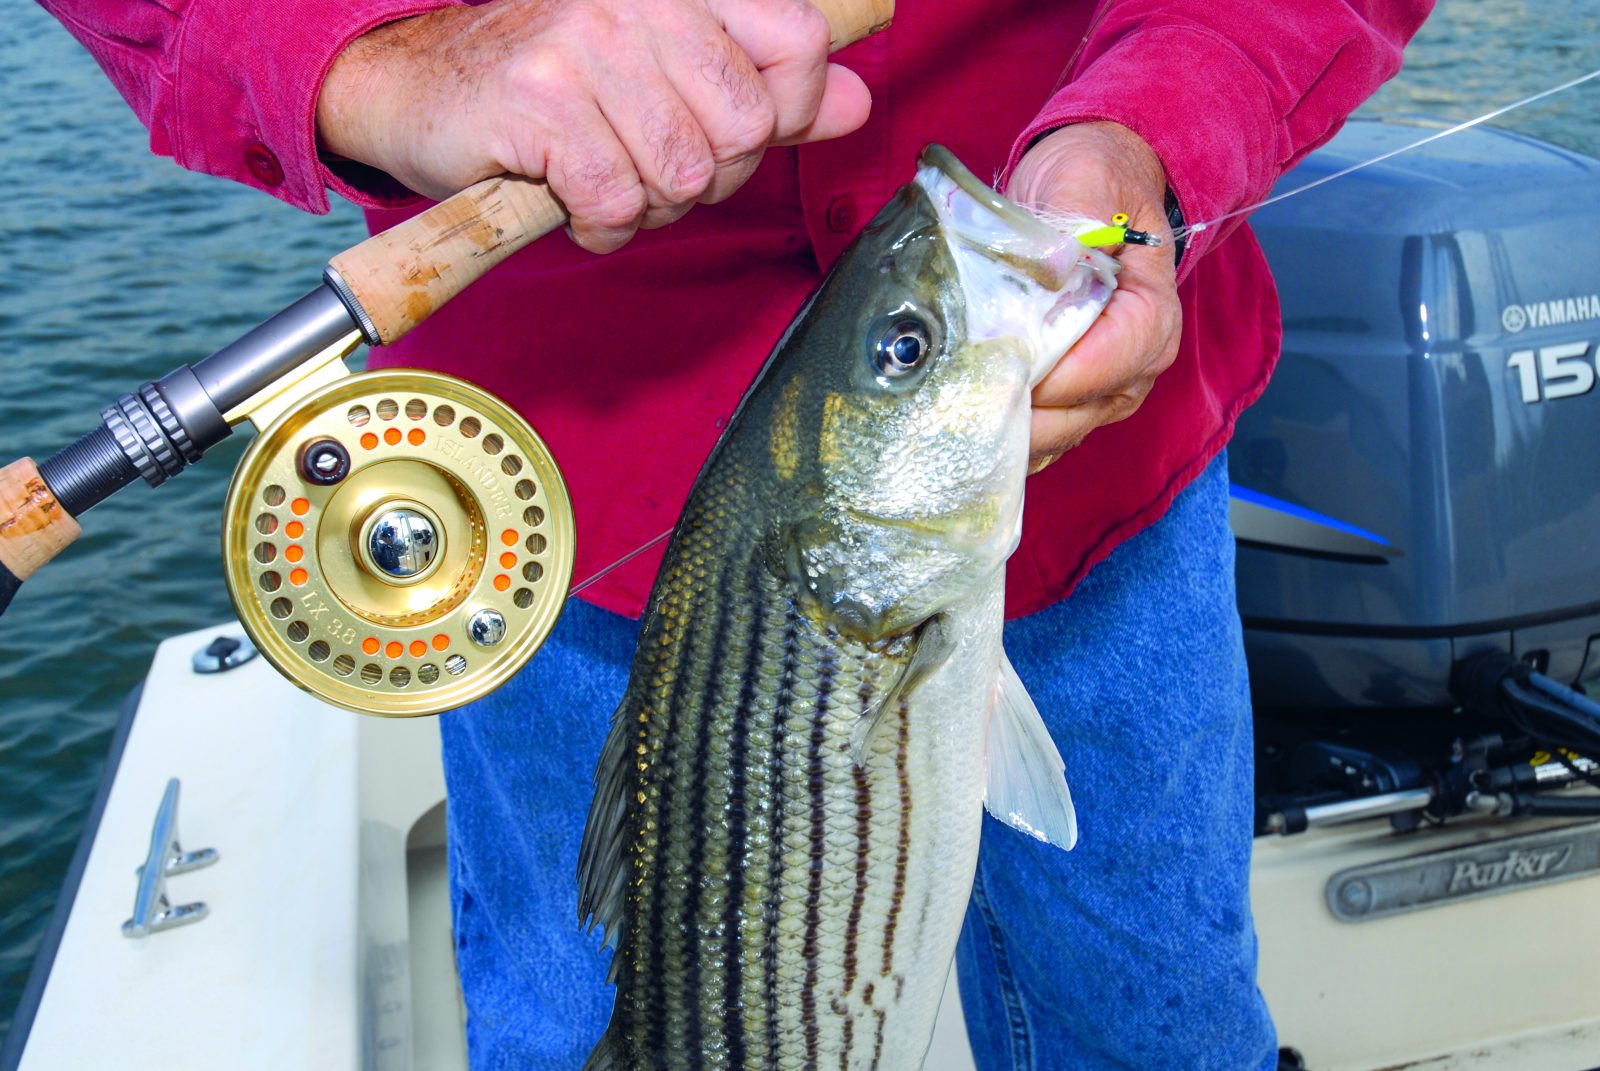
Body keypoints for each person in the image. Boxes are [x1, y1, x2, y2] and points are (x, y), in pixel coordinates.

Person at [41, 0, 1432, 1065]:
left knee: (1164, 1029)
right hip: (572, 524)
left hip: (1113, 491)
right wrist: (378, 58)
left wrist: (1161, 125)